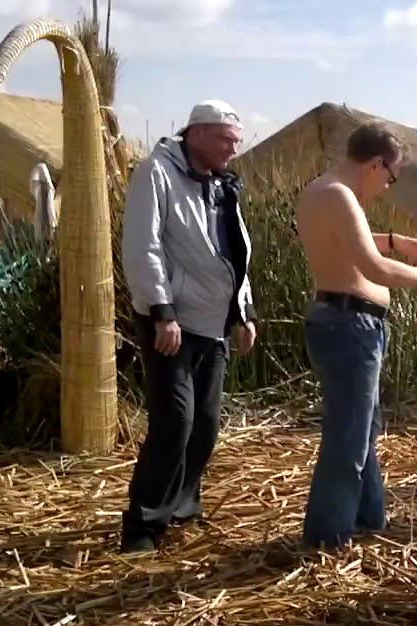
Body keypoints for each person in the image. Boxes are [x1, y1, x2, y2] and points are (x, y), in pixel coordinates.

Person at [119, 100, 258, 553]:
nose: (233, 149)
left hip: (213, 323)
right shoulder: (157, 173)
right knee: (174, 422)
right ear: (196, 134)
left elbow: (235, 251)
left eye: (236, 142)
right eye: (225, 140)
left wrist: (244, 311)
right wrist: (162, 311)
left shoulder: (221, 184)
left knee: (205, 425)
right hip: (172, 322)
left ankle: (181, 505)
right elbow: (143, 245)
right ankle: (143, 526)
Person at [295, 122, 417, 550]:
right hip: (350, 325)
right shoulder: (339, 195)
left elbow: (346, 240)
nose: (387, 187)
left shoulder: (321, 190)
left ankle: (369, 519)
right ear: (375, 164)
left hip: (343, 322)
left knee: (362, 429)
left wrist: (391, 240)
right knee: (348, 438)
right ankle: (328, 537)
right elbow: (373, 268)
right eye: (391, 177)